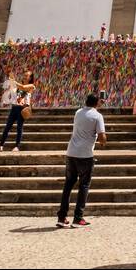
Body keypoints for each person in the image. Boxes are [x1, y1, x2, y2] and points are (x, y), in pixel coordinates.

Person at [57, 93, 107, 227]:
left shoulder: (78, 112)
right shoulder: (98, 116)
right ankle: (78, 218)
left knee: (68, 185)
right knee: (84, 185)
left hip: (71, 152)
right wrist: (102, 141)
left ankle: (62, 217)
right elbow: (102, 137)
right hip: (85, 155)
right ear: (97, 103)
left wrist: (96, 105)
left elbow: (88, 114)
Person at [0, 71, 35, 152]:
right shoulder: (18, 86)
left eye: (26, 75)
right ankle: (1, 145)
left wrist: (13, 81)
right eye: (24, 75)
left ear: (30, 78)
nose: (24, 76)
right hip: (14, 108)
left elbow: (23, 88)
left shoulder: (31, 86)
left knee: (19, 127)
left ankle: (17, 146)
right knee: (7, 127)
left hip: (22, 109)